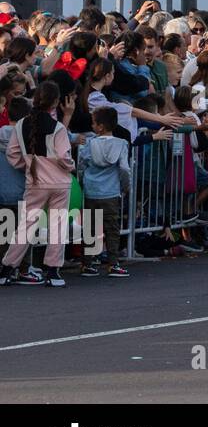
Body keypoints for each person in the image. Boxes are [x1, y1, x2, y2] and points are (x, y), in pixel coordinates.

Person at [0, 82, 74, 287]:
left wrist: (27, 165)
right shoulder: (57, 127)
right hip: (59, 182)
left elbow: (12, 154)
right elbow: (63, 156)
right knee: (57, 226)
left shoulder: (22, 124)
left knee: (26, 226)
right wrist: (71, 166)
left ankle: (7, 268)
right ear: (56, 103)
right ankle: (53, 271)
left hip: (35, 181)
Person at [76, 106, 131, 277]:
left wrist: (81, 180)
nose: (92, 126)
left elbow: (81, 164)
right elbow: (124, 168)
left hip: (91, 191)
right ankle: (113, 263)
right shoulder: (121, 144)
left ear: (100, 126)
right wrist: (125, 186)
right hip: (111, 192)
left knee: (90, 228)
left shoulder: (91, 143)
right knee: (112, 229)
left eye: (93, 123)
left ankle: (88, 263)